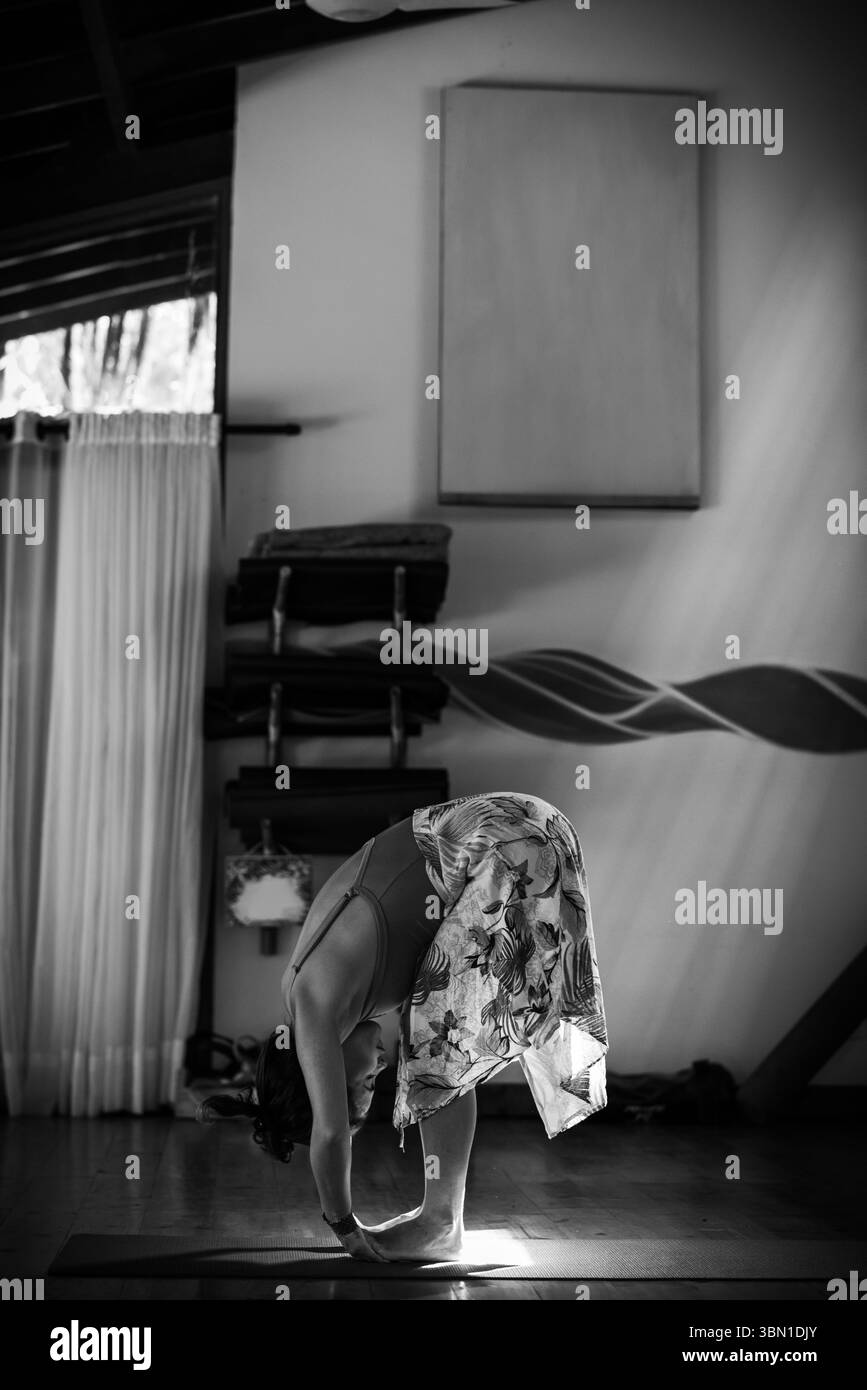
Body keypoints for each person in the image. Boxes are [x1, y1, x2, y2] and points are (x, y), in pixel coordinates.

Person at [199, 792, 608, 1263]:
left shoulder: (314, 1007)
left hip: (506, 840)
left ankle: (441, 1223)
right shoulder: (322, 989)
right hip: (518, 830)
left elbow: (330, 1135)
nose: (380, 1064)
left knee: (435, 1041)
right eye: (376, 1079)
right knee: (437, 1030)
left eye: (366, 1079)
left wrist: (344, 1227)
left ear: (320, 1071)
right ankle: (441, 1219)